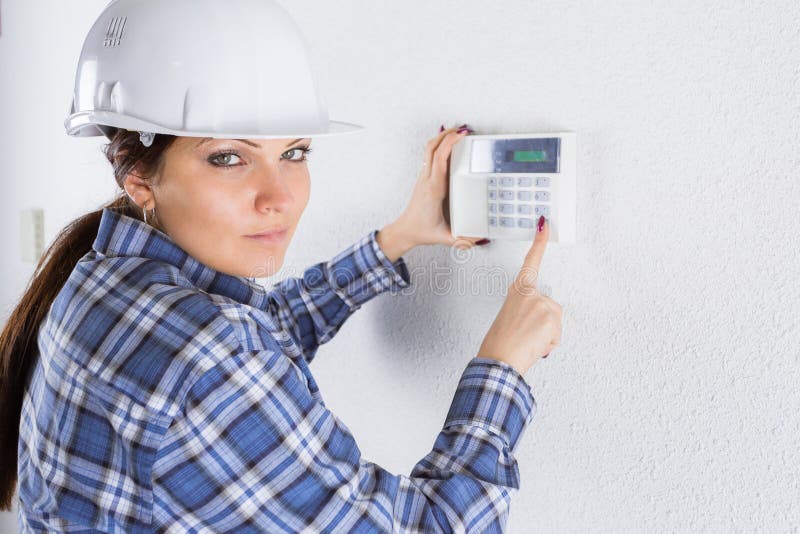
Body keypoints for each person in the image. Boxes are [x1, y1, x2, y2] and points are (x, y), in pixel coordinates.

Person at [0, 1, 562, 531]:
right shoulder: (210, 356)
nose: (279, 198)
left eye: (294, 153)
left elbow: (257, 334)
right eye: (229, 158)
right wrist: (501, 366)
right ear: (140, 178)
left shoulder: (102, 282)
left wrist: (397, 238)